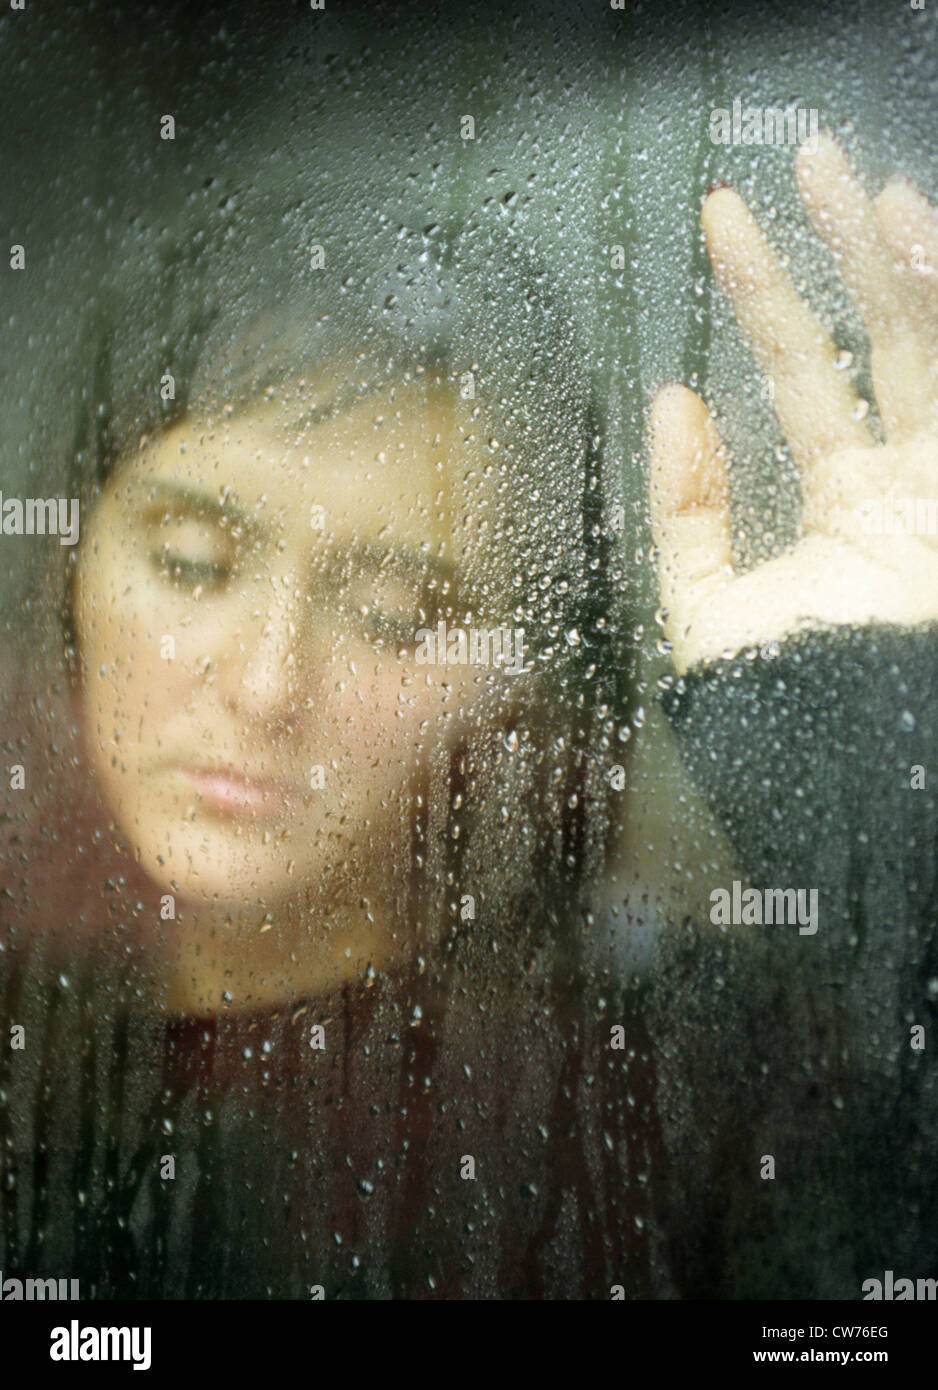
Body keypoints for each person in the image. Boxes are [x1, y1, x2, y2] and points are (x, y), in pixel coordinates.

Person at [1, 133, 936, 1299]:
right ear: (72, 571)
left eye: (397, 617)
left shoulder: (679, 1089)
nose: (264, 686)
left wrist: (868, 762)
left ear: (517, 683)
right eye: (192, 564)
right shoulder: (36, 1040)